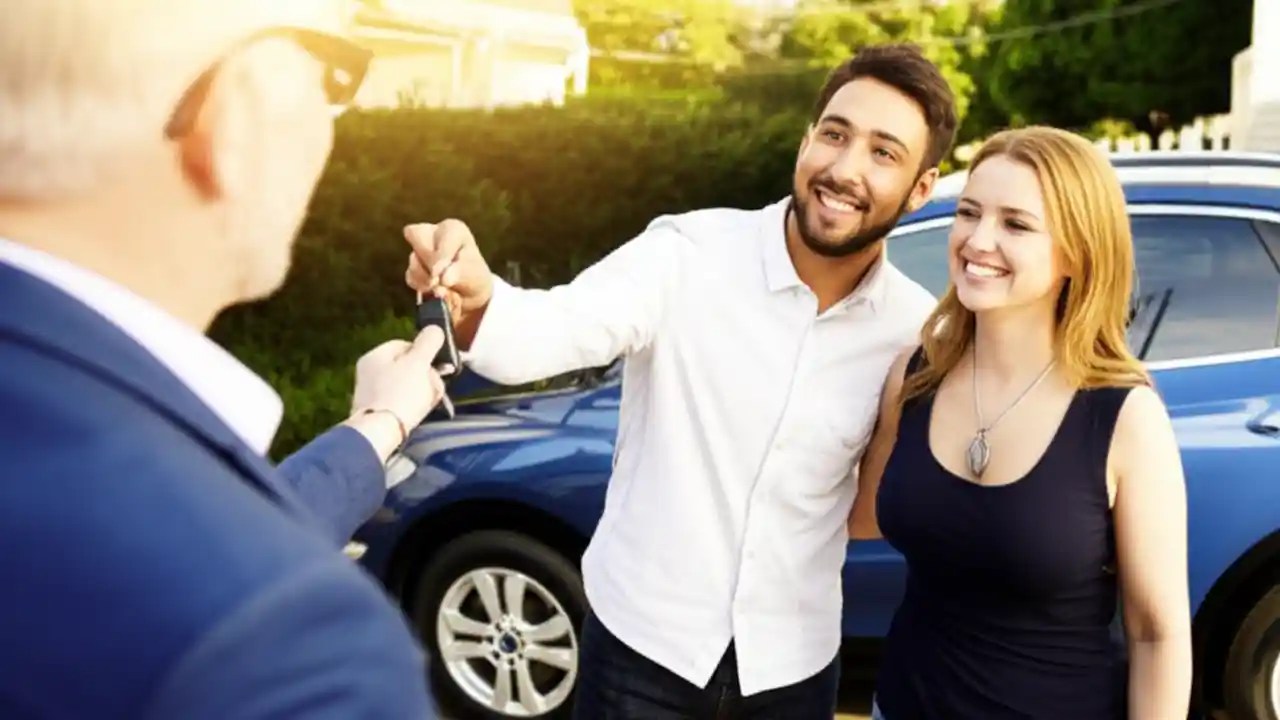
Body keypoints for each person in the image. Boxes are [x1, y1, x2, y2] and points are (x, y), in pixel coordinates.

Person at [403, 43, 958, 718]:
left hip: (794, 671)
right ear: (806, 140)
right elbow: (552, 328)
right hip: (639, 656)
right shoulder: (688, 254)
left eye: (883, 152)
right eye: (835, 135)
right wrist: (477, 295)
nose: (845, 169)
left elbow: (874, 513)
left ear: (922, 188)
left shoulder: (911, 333)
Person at [0, 1, 448, 718]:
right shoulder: (288, 654)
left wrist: (379, 424)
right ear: (234, 116)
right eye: (331, 77)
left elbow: (163, 536)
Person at [852, 126, 1193, 719]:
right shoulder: (914, 376)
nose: (978, 240)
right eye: (969, 213)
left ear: (1076, 253)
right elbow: (858, 519)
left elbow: (1156, 634)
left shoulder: (1125, 418)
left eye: (1016, 224)